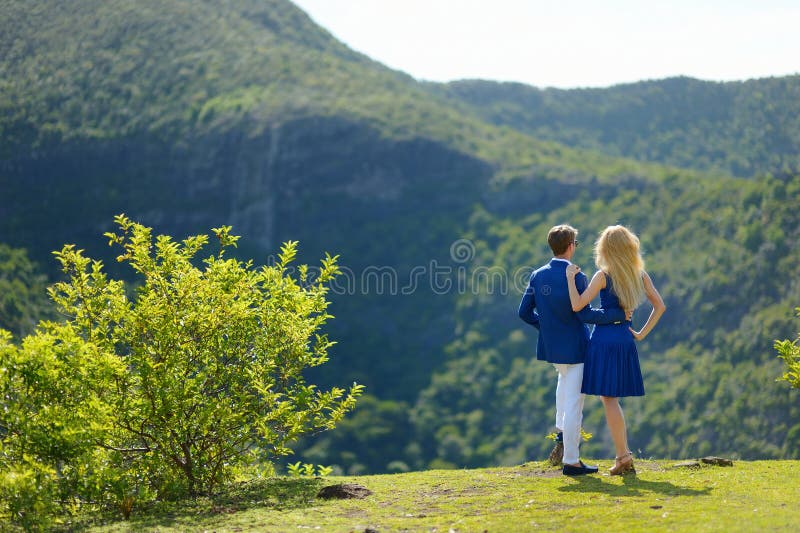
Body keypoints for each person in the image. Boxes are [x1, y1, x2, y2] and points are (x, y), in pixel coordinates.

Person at [518, 224, 628, 476]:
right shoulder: (576, 276)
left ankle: (562, 441)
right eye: (575, 244)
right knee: (574, 405)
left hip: (553, 349)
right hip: (577, 347)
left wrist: (545, 328)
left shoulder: (537, 275)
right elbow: (585, 313)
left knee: (564, 388)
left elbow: (523, 312)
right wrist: (616, 315)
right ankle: (571, 461)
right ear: (570, 246)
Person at [565, 225, 666, 475]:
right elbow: (660, 306)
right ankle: (623, 455)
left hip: (604, 341)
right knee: (612, 399)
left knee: (609, 399)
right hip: (625, 339)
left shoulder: (603, 275)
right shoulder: (639, 275)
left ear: (605, 248)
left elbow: (577, 306)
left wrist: (569, 279)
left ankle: (623, 456)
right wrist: (641, 333)